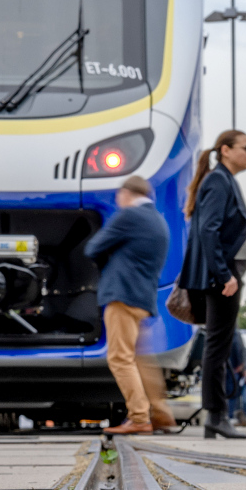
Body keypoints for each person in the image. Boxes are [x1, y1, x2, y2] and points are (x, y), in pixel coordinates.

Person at [179, 129, 246, 440]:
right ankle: (216, 416)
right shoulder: (218, 180)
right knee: (218, 347)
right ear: (225, 150)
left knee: (218, 346)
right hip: (220, 277)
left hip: (220, 274)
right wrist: (224, 276)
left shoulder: (221, 179)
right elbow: (209, 231)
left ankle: (216, 418)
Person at [87, 174, 175, 436]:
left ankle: (138, 417)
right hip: (142, 298)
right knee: (141, 359)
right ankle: (160, 413)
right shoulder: (158, 220)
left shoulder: (130, 216)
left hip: (122, 296)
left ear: (126, 194)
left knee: (120, 358)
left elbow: (93, 247)